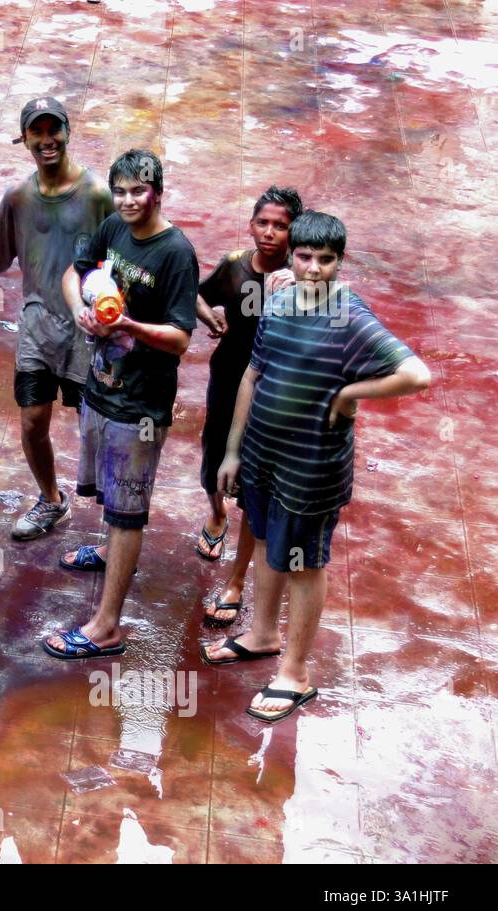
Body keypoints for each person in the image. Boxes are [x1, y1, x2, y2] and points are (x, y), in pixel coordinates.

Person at [209, 211, 431, 722]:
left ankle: (296, 673)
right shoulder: (279, 300)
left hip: (312, 467)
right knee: (265, 542)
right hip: (263, 452)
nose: (313, 269)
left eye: (325, 260)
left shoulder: (349, 316)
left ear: (339, 262)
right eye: (305, 257)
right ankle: (262, 633)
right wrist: (233, 450)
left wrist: (351, 392)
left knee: (305, 562)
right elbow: (252, 375)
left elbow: (415, 374)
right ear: (292, 256)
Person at [43, 149, 199, 660]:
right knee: (110, 496)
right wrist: (82, 310)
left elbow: (179, 339)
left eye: (140, 190)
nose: (130, 200)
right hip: (102, 387)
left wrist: (128, 326)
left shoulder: (176, 252)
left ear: (159, 192)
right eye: (122, 190)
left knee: (129, 510)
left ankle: (106, 626)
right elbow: (75, 273)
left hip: (141, 407)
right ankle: (110, 552)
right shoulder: (113, 227)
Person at [0, 97, 112, 541]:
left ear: (67, 132)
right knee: (31, 422)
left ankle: (117, 522)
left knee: (96, 427)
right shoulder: (18, 198)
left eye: (52, 130)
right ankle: (50, 500)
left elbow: (128, 251)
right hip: (38, 327)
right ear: (25, 140)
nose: (47, 141)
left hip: (88, 332)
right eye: (36, 133)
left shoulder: (98, 194)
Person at [196, 187, 303, 629]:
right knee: (213, 463)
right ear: (251, 224)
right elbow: (194, 292)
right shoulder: (235, 266)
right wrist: (212, 318)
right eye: (263, 223)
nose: (270, 233)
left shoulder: (303, 279)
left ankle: (237, 581)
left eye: (280, 226)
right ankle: (216, 513)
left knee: (253, 490)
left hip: (270, 394)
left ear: (294, 232)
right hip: (226, 381)